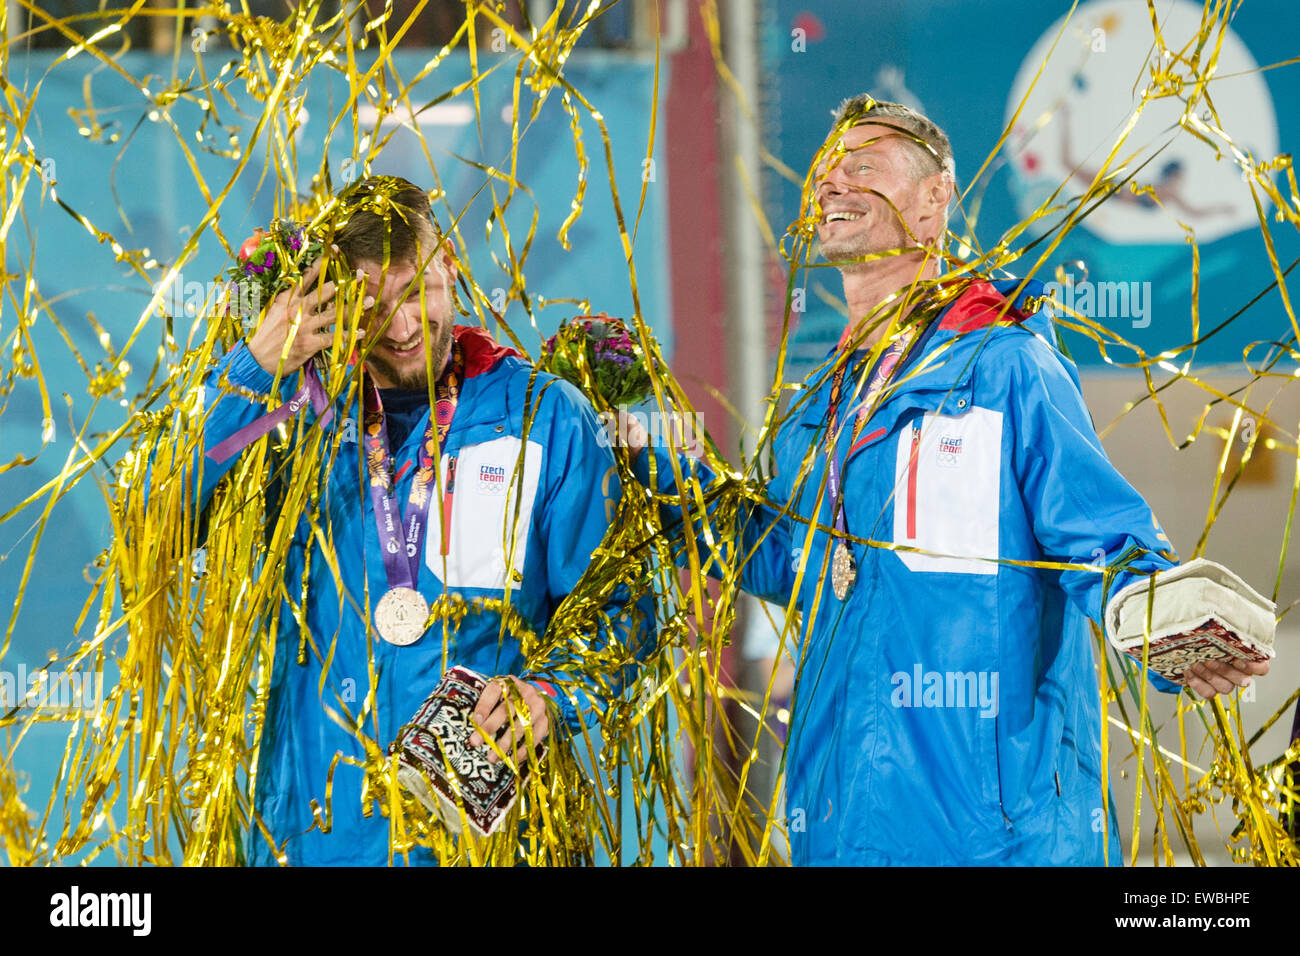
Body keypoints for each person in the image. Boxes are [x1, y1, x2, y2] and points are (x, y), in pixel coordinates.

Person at [627, 99, 1268, 865]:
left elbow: (1098, 534)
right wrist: (652, 467)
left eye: (864, 164)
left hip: (991, 835)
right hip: (843, 827)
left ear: (934, 201)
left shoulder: (1003, 367)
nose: (833, 180)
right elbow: (785, 560)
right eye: (827, 167)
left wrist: (1162, 615)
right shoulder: (819, 409)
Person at [193, 176, 649, 865]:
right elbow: (159, 515)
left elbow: (622, 610)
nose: (403, 329)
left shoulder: (544, 418)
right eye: (374, 307)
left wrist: (551, 695)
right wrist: (256, 368)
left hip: (485, 848)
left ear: (450, 267)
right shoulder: (291, 419)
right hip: (315, 839)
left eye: (417, 294)